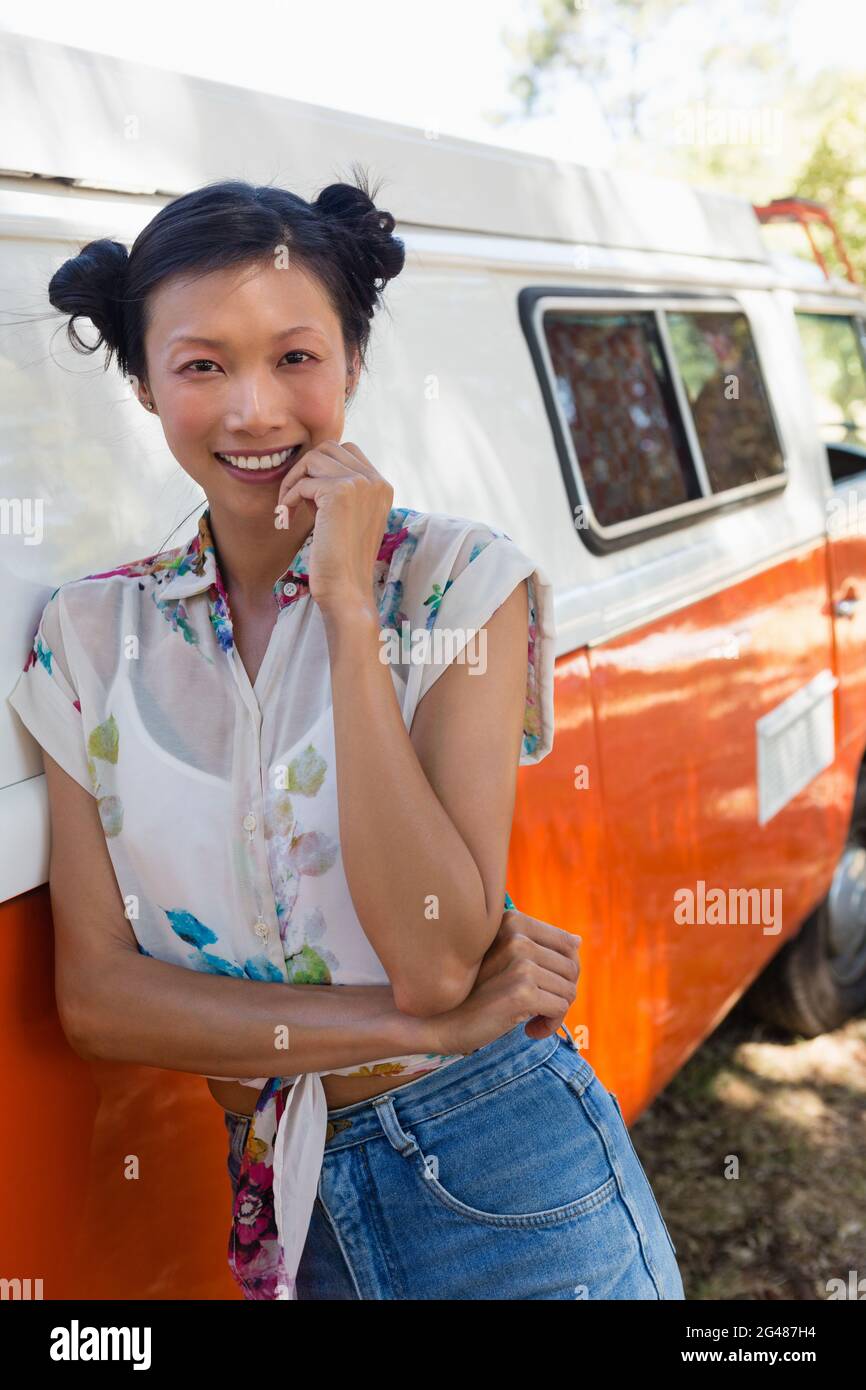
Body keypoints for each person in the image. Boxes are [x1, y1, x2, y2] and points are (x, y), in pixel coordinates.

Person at [7, 168, 684, 1300]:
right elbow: (98, 1000)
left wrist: (348, 608)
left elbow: (433, 950)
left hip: (496, 1153)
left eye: (294, 356)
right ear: (142, 384)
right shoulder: (84, 636)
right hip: (286, 1185)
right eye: (201, 364)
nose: (253, 409)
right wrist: (403, 1015)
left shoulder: (459, 581)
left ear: (351, 363)